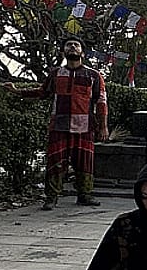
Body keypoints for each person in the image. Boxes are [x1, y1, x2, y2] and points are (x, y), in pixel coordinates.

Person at [6, 37, 109, 210]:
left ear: (82, 52)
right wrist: (17, 92)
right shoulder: (55, 73)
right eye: (69, 45)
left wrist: (103, 126)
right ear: (63, 52)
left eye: (76, 45)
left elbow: (101, 101)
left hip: (85, 126)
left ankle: (85, 195)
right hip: (59, 125)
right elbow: (42, 92)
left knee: (84, 162)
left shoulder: (93, 75)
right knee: (55, 162)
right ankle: (51, 197)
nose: (73, 47)